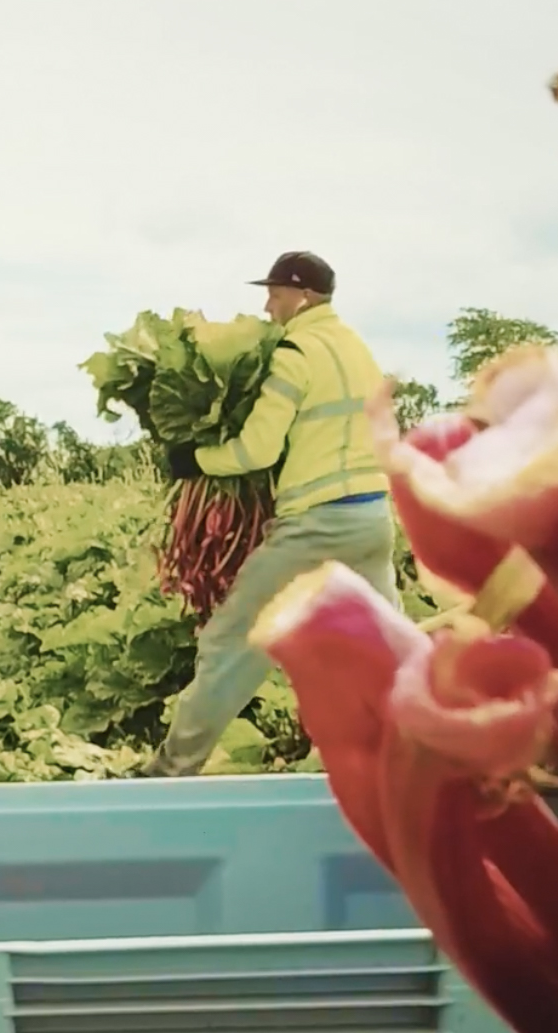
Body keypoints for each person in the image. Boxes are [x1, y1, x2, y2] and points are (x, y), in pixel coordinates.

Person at [139, 250, 402, 777]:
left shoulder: (295, 353)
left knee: (232, 641)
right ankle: (415, 761)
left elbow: (257, 449)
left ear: (303, 296)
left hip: (315, 526)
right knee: (389, 650)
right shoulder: (359, 350)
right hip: (373, 520)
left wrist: (194, 461)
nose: (268, 303)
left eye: (276, 293)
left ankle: (171, 771)